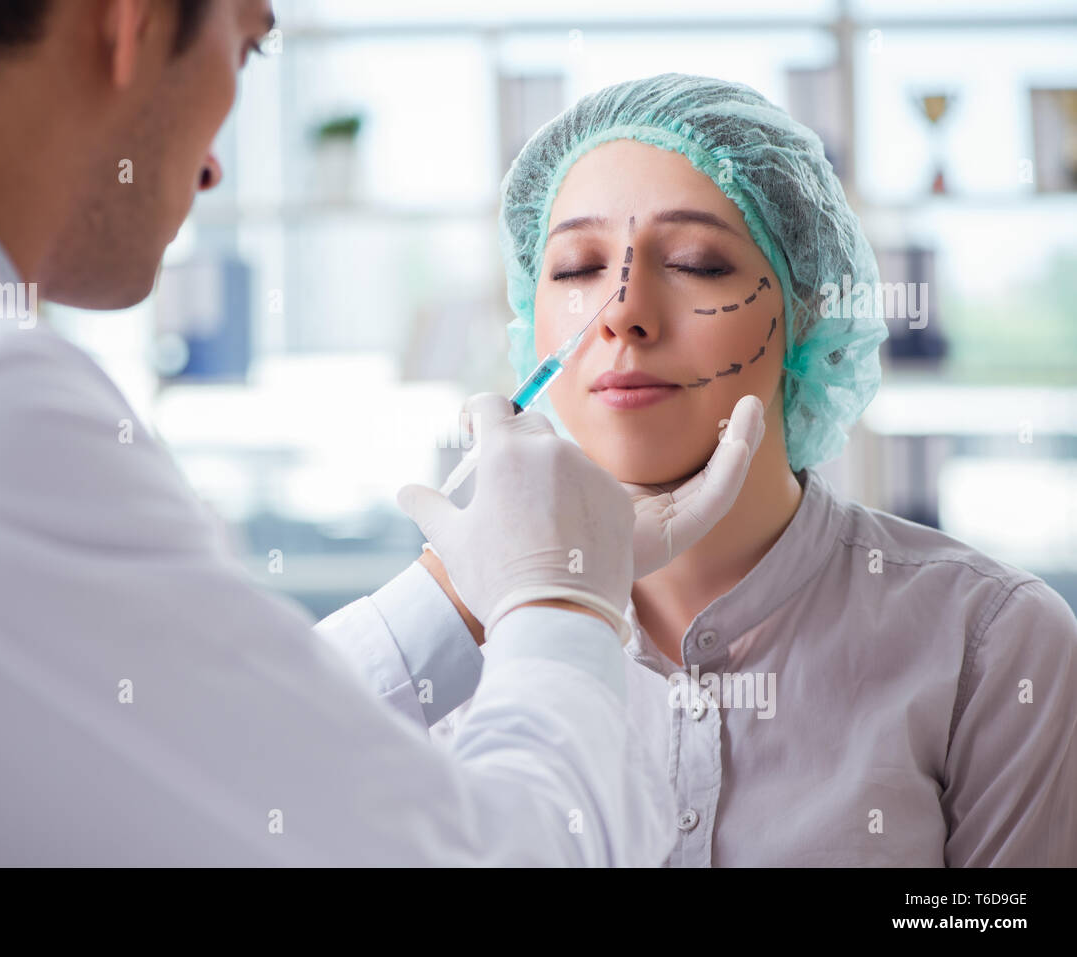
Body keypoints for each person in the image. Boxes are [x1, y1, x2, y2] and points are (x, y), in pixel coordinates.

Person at [0, 2, 761, 865]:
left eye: (700, 263)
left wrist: (464, 594)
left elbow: (167, 742)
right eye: (245, 49)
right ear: (129, 22)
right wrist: (564, 612)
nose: (212, 164)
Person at [325, 75, 1077, 866]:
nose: (621, 310)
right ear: (528, 314)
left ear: (810, 313)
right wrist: (463, 596)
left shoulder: (994, 644)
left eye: (695, 261)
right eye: (577, 267)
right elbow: (234, 790)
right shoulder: (451, 654)